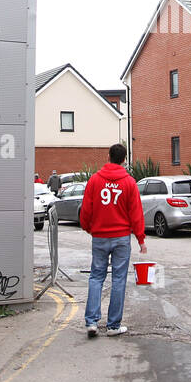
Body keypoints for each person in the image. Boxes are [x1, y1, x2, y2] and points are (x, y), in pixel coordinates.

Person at [78, 143, 146, 337]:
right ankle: (113, 326)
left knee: (96, 276)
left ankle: (91, 322)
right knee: (118, 279)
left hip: (99, 236)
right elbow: (136, 214)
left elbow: (86, 209)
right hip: (121, 238)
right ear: (124, 160)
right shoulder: (129, 183)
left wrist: (88, 227)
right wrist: (141, 238)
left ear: (108, 157)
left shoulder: (94, 181)